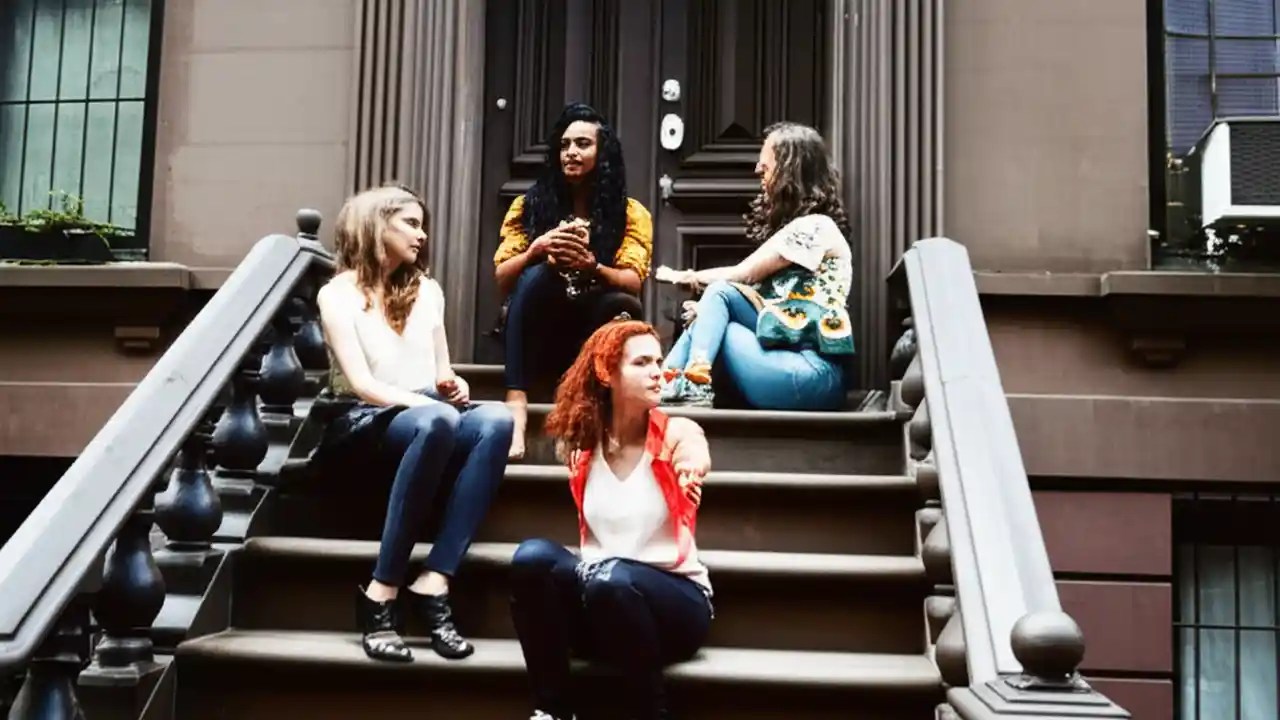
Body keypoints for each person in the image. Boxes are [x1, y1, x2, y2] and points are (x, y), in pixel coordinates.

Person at [315, 185, 513, 662]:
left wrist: (452, 387)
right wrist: (429, 405)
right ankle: (381, 589)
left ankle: (435, 579)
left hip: (428, 414)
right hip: (364, 421)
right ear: (374, 225)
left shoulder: (427, 291)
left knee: (497, 420)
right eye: (410, 223)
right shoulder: (337, 294)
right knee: (437, 421)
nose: (421, 235)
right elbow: (362, 384)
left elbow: (441, 370)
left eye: (422, 225)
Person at [509, 321, 712, 720]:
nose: (659, 371)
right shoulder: (583, 446)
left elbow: (694, 446)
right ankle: (551, 710)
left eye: (659, 361)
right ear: (607, 373)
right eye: (642, 362)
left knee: (612, 579)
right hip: (601, 600)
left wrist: (691, 465)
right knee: (532, 557)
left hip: (674, 607)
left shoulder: (674, 433)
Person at [654, 122, 854, 410]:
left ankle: (688, 384)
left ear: (791, 170)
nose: (758, 171)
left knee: (720, 295)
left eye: (767, 165)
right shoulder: (802, 233)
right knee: (711, 314)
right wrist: (708, 314)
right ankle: (666, 382)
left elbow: (743, 274)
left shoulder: (816, 227)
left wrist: (688, 277)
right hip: (787, 368)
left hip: (812, 375)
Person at [494, 103, 654, 460]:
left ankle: (580, 415)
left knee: (623, 305)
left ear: (603, 153)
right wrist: (535, 251)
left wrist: (592, 266)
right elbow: (503, 279)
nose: (571, 153)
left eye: (582, 144)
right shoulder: (527, 206)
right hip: (538, 329)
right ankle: (516, 403)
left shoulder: (630, 213)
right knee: (537, 274)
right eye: (565, 145)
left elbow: (632, 282)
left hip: (590, 330)